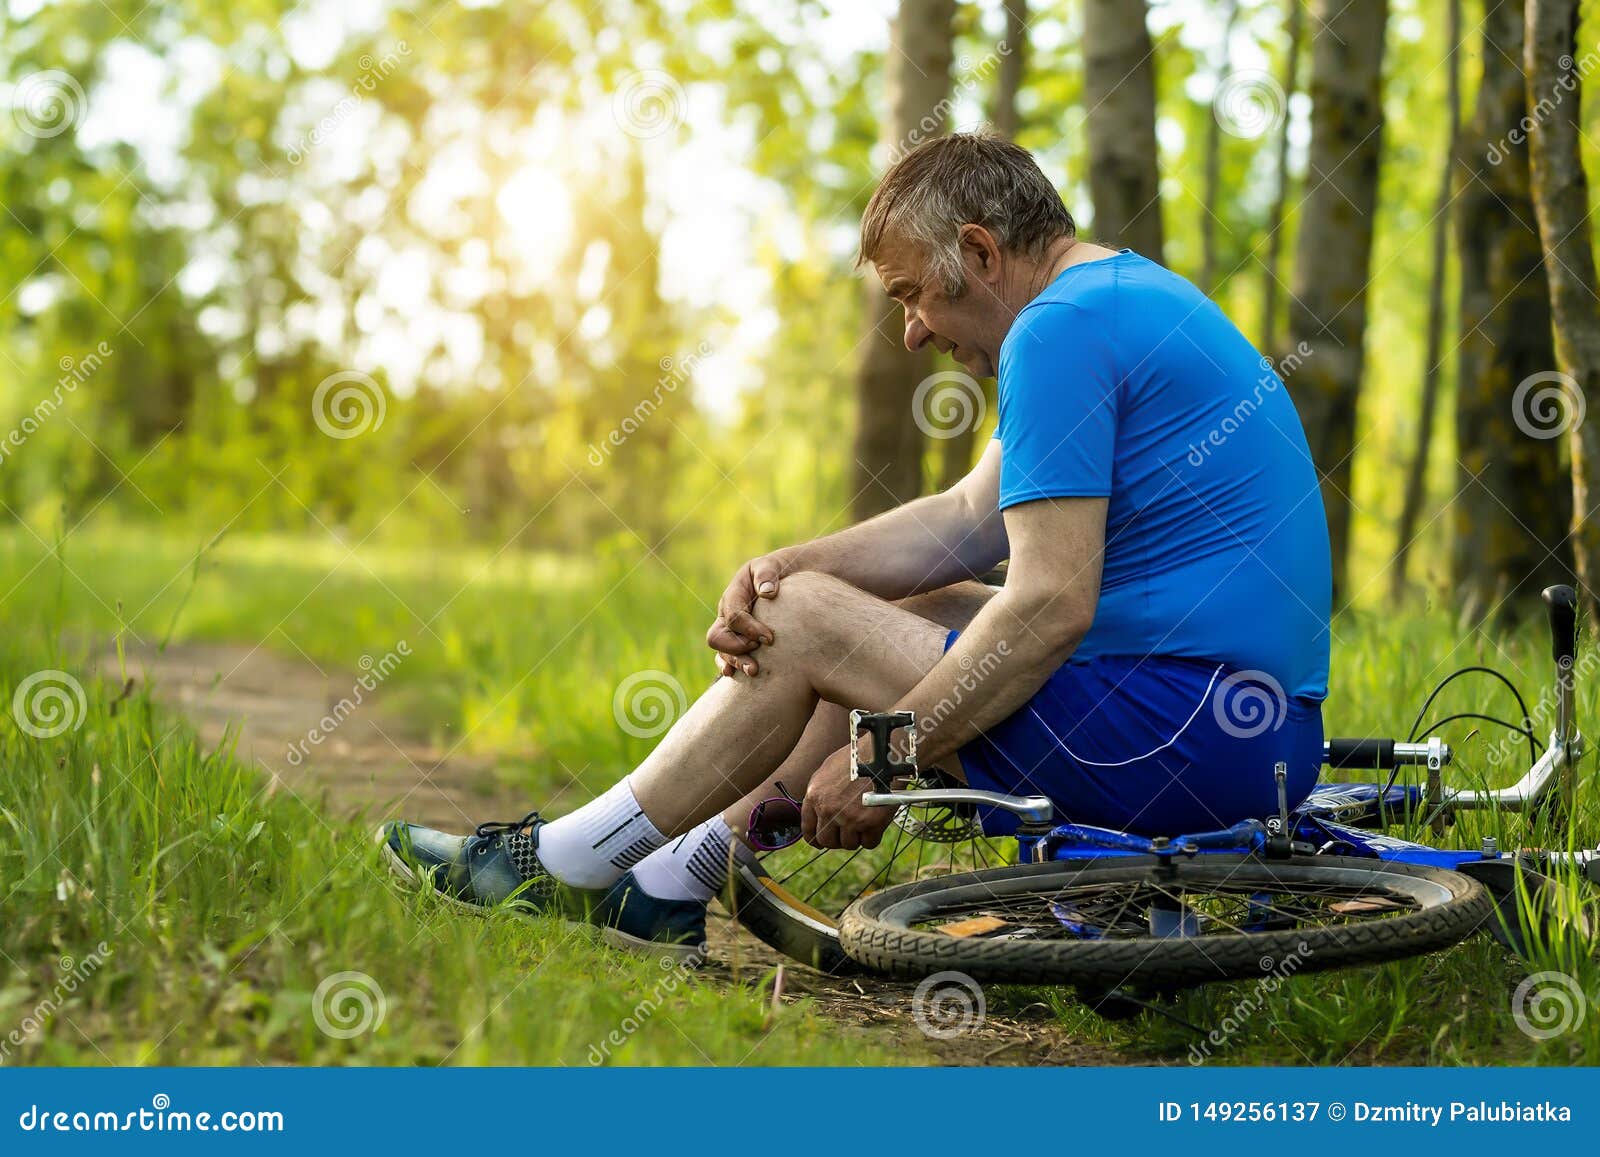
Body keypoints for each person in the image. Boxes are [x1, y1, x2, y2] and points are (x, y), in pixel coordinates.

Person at [381, 132, 1332, 959]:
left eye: (914, 295)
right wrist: (794, 564)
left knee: (803, 627)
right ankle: (671, 879)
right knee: (857, 609)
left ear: (980, 252)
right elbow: (966, 521)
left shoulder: (1058, 331)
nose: (912, 331)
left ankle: (560, 866)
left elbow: (1047, 605)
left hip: (1184, 732)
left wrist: (890, 757)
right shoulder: (1110, 299)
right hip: (1240, 734)